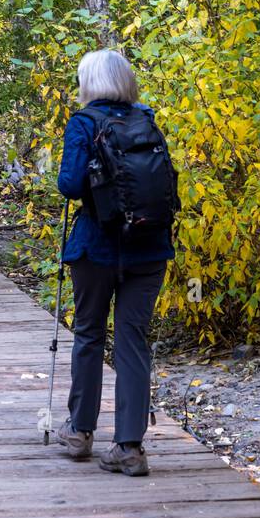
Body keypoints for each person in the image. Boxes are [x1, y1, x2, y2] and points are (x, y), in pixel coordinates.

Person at [55, 49, 174, 477]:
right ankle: (129, 447)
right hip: (150, 246)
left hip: (97, 247)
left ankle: (80, 432)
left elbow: (68, 185)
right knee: (132, 340)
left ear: (91, 83)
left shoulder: (83, 123)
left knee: (88, 334)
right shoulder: (147, 119)